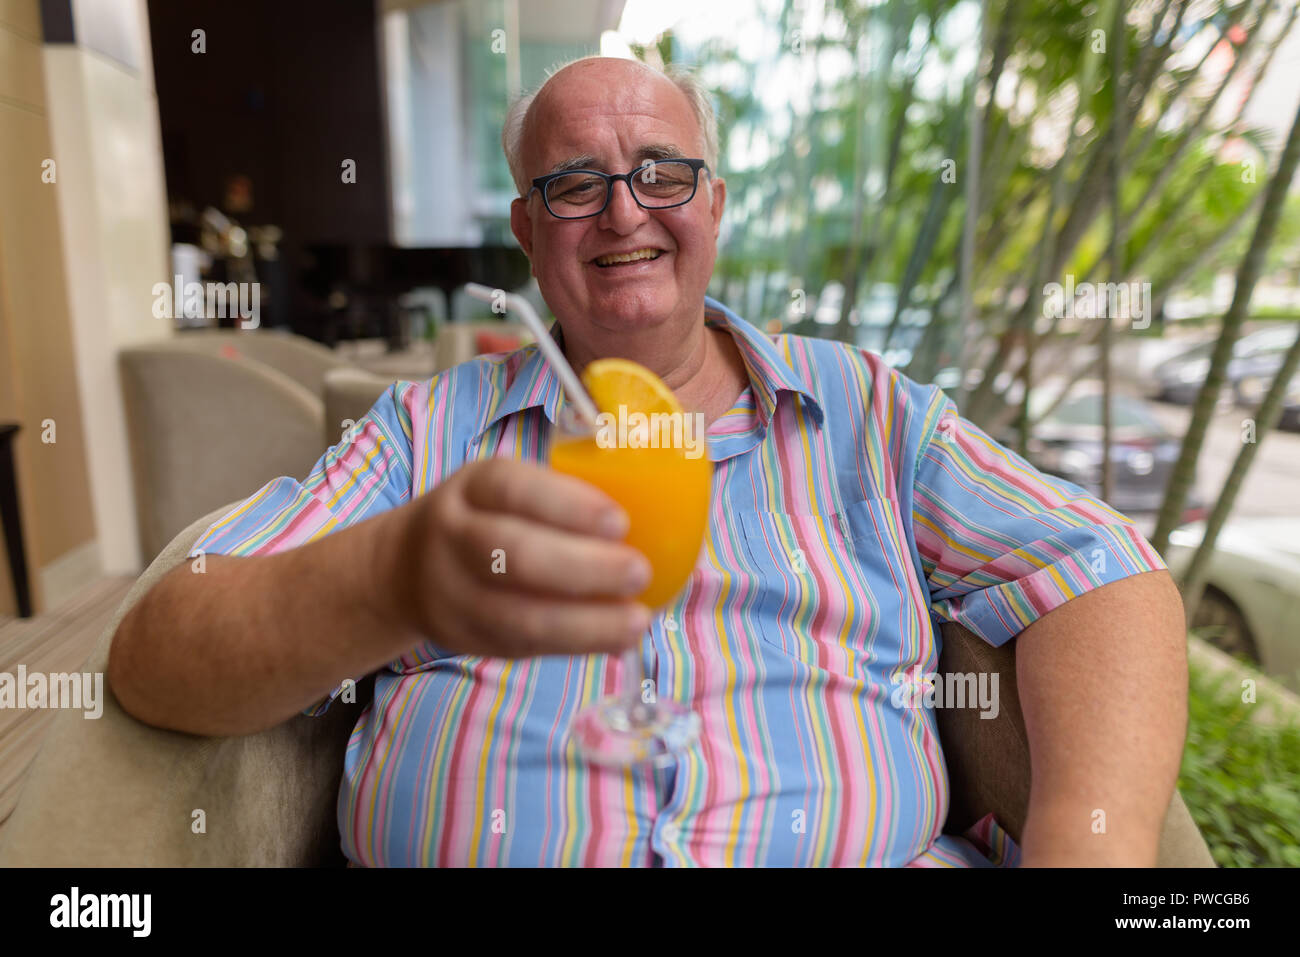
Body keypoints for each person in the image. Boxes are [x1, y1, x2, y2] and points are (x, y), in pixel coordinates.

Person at [108, 56, 1187, 867]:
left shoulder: (866, 410)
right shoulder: (421, 433)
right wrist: (392, 576)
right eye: (574, 184)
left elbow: (1097, 566)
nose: (624, 210)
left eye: (661, 173)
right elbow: (164, 649)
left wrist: (1089, 848)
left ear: (711, 203)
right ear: (528, 233)